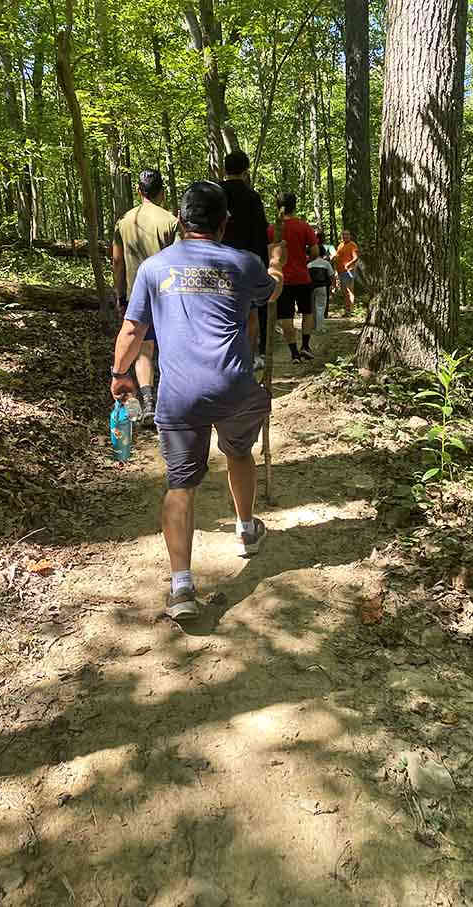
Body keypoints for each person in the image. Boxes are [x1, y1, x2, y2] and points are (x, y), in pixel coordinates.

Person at [110, 181, 286, 620]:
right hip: (234, 388)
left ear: (182, 222)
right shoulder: (243, 263)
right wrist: (278, 264)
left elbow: (132, 332)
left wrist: (120, 375)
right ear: (224, 223)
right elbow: (271, 292)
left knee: (180, 483)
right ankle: (246, 530)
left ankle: (182, 587)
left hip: (179, 393)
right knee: (239, 452)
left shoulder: (154, 268)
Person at [113, 169, 177, 426]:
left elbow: (117, 261)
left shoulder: (124, 221)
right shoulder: (171, 221)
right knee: (171, 348)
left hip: (137, 294)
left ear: (139, 192)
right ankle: (171, 402)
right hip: (169, 295)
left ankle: (149, 402)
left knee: (144, 349)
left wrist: (120, 294)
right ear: (162, 191)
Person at [220, 150, 270, 371]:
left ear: (224, 169)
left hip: (217, 262)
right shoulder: (252, 197)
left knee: (222, 313)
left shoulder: (216, 193)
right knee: (251, 314)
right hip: (246, 263)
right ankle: (248, 359)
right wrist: (264, 265)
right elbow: (261, 232)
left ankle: (225, 359)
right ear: (246, 170)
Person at [267, 193, 319, 362]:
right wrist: (305, 261)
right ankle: (305, 346)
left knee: (285, 316)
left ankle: (294, 353)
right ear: (295, 206)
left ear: (277, 206)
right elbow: (315, 252)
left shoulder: (272, 229)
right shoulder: (304, 226)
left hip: (281, 280)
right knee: (307, 312)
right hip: (303, 277)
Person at [333, 229, 359, 317]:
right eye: (344, 235)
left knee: (350, 291)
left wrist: (348, 264)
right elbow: (337, 257)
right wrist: (336, 270)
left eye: (347, 235)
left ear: (350, 236)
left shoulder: (352, 245)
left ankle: (351, 311)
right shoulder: (340, 245)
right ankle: (346, 310)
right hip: (340, 272)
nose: (345, 236)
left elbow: (356, 258)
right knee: (344, 292)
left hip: (349, 271)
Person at [307, 251, 334, 332]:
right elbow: (332, 276)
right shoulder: (326, 263)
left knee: (312, 308)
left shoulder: (309, 264)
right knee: (321, 308)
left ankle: (313, 326)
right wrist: (333, 286)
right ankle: (320, 327)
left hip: (310, 288)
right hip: (322, 287)